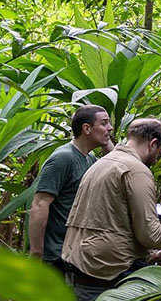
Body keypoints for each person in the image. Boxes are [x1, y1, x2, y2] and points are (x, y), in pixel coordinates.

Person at [60, 117, 161, 300]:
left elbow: (109, 221)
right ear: (153, 144)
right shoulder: (136, 171)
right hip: (105, 276)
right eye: (159, 153)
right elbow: (151, 235)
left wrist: (148, 255)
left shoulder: (102, 162)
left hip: (80, 266)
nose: (157, 158)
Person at [29, 104, 114, 270]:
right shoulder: (63, 158)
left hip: (73, 253)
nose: (110, 128)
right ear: (86, 128)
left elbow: (118, 163)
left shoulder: (89, 158)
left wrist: (105, 140)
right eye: (104, 123)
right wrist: (36, 252)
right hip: (55, 255)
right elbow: (39, 205)